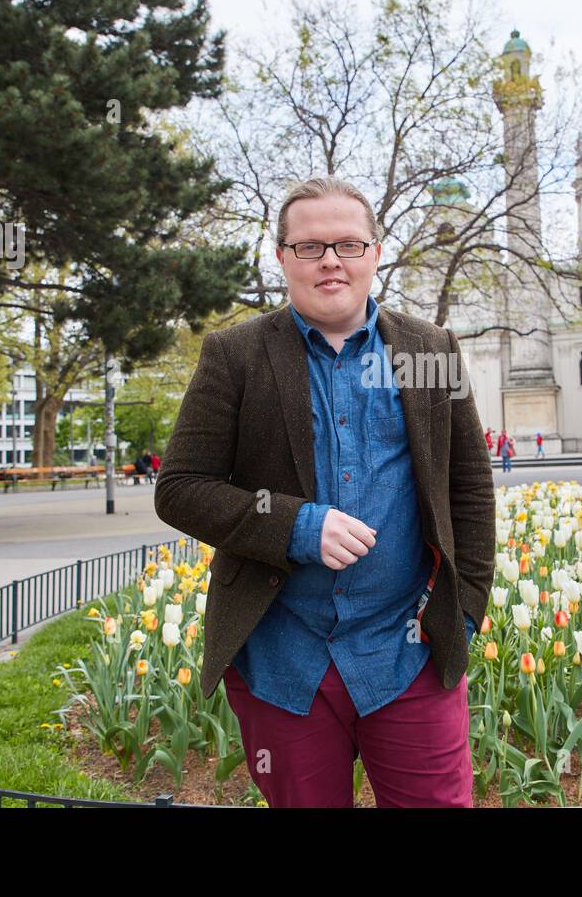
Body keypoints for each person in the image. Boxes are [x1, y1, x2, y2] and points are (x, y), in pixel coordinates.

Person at [154, 175, 493, 808]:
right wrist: (296, 526)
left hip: (408, 651)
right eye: (310, 247)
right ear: (281, 257)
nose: (331, 260)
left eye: (348, 244)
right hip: (284, 657)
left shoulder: (431, 350)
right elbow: (180, 489)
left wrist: (465, 613)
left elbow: (470, 490)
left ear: (375, 252)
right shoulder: (236, 355)